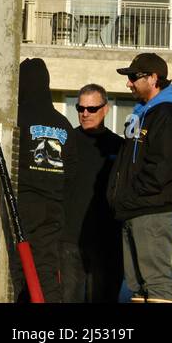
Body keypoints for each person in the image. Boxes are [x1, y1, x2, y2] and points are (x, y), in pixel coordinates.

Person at [109, 53, 172, 303]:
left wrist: (131, 195)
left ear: (153, 78)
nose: (128, 83)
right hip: (135, 211)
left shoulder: (167, 113)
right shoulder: (143, 114)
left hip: (151, 212)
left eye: (133, 77)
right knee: (138, 288)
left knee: (157, 285)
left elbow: (165, 167)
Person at [12, 57, 75, 302]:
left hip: (24, 204)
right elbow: (72, 169)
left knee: (19, 266)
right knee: (47, 267)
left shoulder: (17, 117)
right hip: (54, 207)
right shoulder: (64, 124)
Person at [60, 83, 122, 302]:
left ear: (105, 109)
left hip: (107, 243)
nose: (85, 113)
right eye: (80, 108)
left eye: (92, 109)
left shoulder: (119, 146)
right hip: (69, 241)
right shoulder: (66, 142)